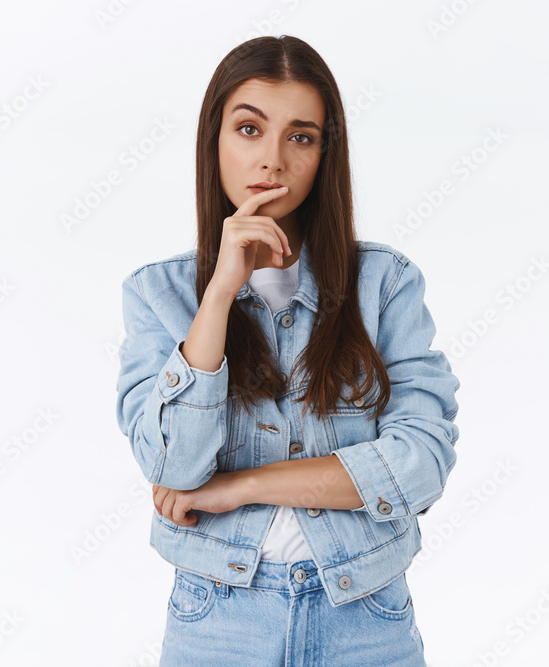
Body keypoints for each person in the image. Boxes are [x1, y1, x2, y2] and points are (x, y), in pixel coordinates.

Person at [114, 35, 460, 666]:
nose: (272, 160)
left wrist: (242, 486)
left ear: (327, 153)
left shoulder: (386, 286)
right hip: (217, 619)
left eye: (301, 136)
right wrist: (220, 291)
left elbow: (422, 462)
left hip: (366, 616)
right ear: (214, 138)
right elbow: (171, 466)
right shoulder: (159, 293)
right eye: (250, 128)